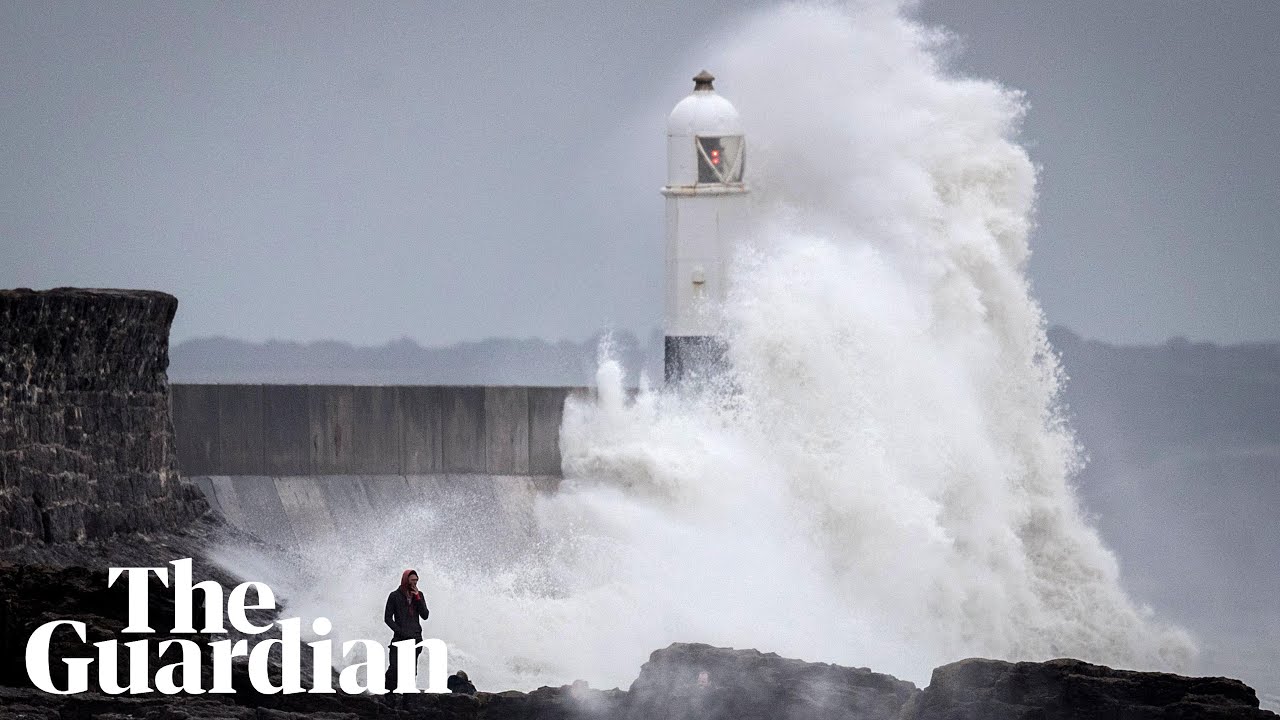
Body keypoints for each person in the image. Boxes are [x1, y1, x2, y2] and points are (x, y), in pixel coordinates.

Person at [384, 568, 430, 691]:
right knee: (394, 668)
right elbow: (387, 618)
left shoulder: (419, 595)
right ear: (406, 581)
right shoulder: (394, 596)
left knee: (410, 671)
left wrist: (418, 598)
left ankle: (407, 701)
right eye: (412, 581)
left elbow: (425, 615)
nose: (414, 584)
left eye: (416, 581)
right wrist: (400, 631)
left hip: (415, 638)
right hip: (400, 637)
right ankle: (388, 696)